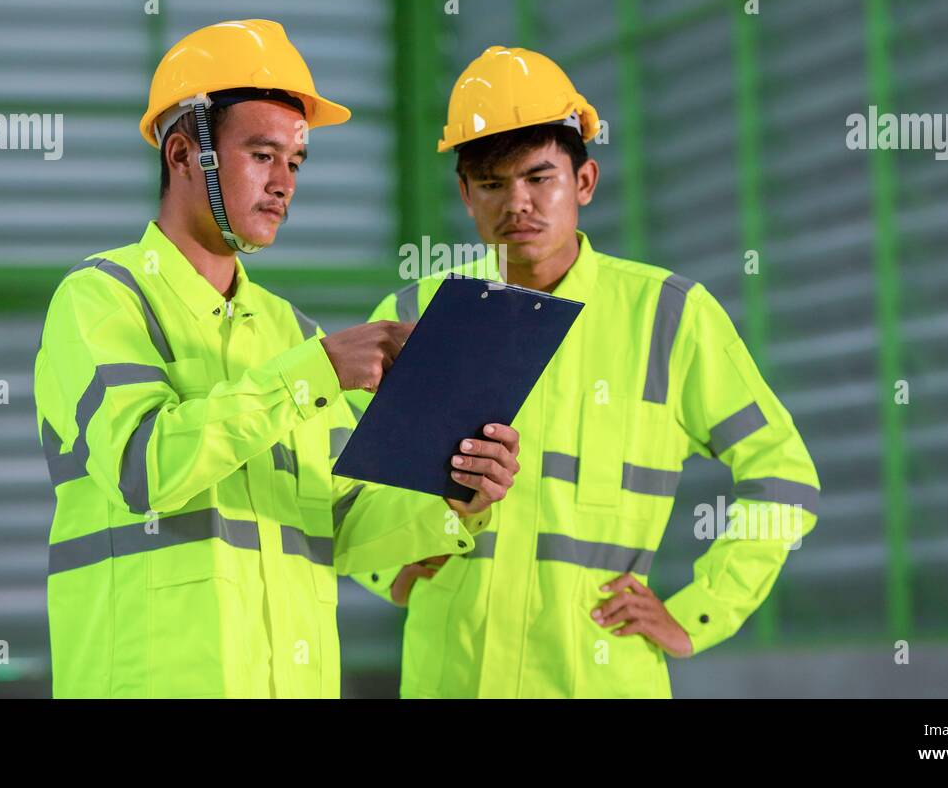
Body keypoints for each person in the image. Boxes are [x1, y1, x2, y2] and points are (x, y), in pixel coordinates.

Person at [33, 20, 519, 697]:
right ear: (182, 155)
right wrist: (313, 372)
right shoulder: (102, 300)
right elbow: (145, 468)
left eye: (294, 162)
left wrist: (455, 498)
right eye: (261, 155)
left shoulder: (289, 330)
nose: (283, 183)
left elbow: (341, 524)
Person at [349, 46, 820, 697]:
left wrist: (696, 612)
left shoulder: (668, 316)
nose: (518, 203)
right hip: (452, 677)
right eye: (492, 183)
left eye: (540, 178)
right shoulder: (414, 317)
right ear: (465, 194)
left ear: (586, 182)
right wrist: (394, 571)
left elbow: (784, 477)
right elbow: (344, 488)